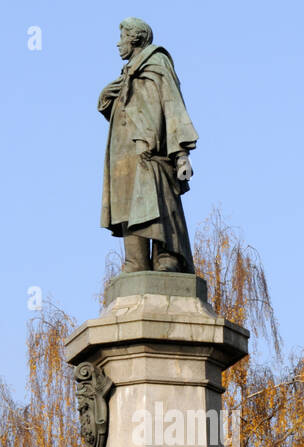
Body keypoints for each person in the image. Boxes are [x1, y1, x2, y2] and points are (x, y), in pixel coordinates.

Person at [98, 17, 198, 273]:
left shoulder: (157, 63)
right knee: (126, 206)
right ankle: (136, 262)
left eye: (122, 38)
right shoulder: (126, 76)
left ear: (135, 39)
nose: (118, 43)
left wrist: (182, 154)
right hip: (123, 155)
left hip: (150, 150)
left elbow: (172, 104)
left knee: (159, 201)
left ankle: (167, 258)